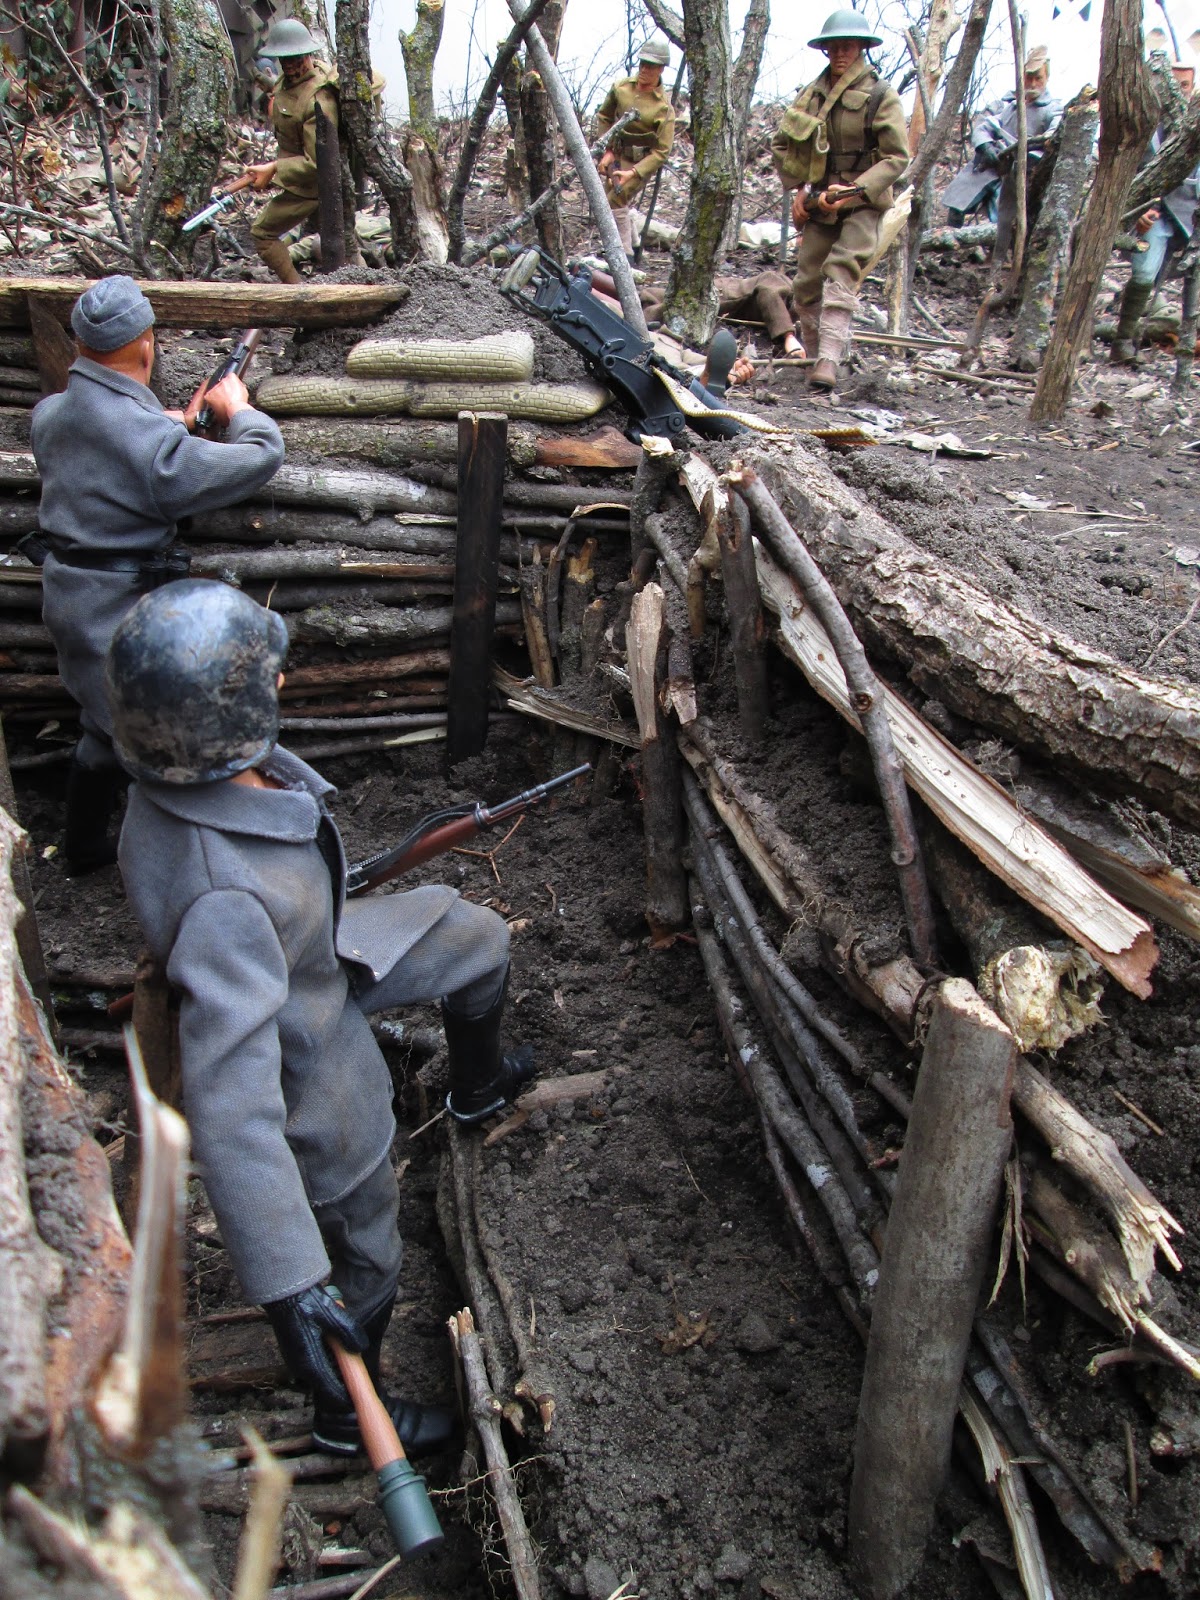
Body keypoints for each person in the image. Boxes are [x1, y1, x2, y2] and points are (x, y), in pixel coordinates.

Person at [108, 580, 536, 1457]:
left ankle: (475, 1085)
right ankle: (347, 1411)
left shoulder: (193, 762)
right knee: (365, 1238)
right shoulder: (222, 896)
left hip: (318, 950)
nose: (282, 688)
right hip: (303, 1035)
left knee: (476, 938)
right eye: (265, 682)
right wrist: (292, 1282)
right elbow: (234, 1109)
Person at [29, 275, 284, 875]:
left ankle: (85, 851)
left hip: (69, 596)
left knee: (100, 723)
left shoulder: (50, 414)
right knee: (157, 740)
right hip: (115, 609)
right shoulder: (150, 447)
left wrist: (176, 423)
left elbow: (115, 438)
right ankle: (176, 868)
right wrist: (240, 412)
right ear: (148, 344)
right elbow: (258, 458)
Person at [771, 9, 909, 390]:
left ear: (862, 47)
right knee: (806, 281)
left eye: (847, 46)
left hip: (862, 201)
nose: (840, 54)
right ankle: (815, 358)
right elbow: (784, 144)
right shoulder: (811, 95)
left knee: (842, 269)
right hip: (820, 202)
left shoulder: (881, 96)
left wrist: (853, 190)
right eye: (833, 47)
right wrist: (800, 188)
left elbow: (896, 156)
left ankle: (830, 360)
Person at [1112, 59, 1199, 366]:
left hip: (1193, 216)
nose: (1176, 94)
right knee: (1145, 272)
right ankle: (1123, 340)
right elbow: (1128, 179)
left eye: (1184, 87)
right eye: (1170, 87)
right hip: (1156, 215)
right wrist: (1136, 214)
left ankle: (1187, 353)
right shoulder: (1143, 126)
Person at [942, 46, 1063, 261]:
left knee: (1006, 216)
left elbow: (1054, 134)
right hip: (991, 163)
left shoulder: (1053, 109)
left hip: (1020, 171)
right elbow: (982, 125)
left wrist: (1027, 152)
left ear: (1047, 77)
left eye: (1038, 78)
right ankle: (947, 250)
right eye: (1029, 78)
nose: (1033, 84)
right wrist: (985, 145)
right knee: (959, 197)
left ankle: (1000, 258)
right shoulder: (1005, 104)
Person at [244, 16, 339, 284]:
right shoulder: (287, 81)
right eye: (282, 59)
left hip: (312, 186)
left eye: (294, 58)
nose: (288, 65)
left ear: (307, 55)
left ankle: (297, 292)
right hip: (298, 179)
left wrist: (274, 169)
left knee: (262, 233)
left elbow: (318, 162)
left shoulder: (319, 99)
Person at [593, 34, 676, 258]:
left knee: (612, 202)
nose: (644, 70)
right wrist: (607, 150)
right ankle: (634, 245)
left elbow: (662, 152)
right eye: (642, 64)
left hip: (640, 163)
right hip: (617, 154)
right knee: (612, 198)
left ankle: (623, 256)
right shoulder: (621, 89)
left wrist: (633, 172)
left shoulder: (664, 109)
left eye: (651, 66)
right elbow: (604, 115)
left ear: (661, 70)